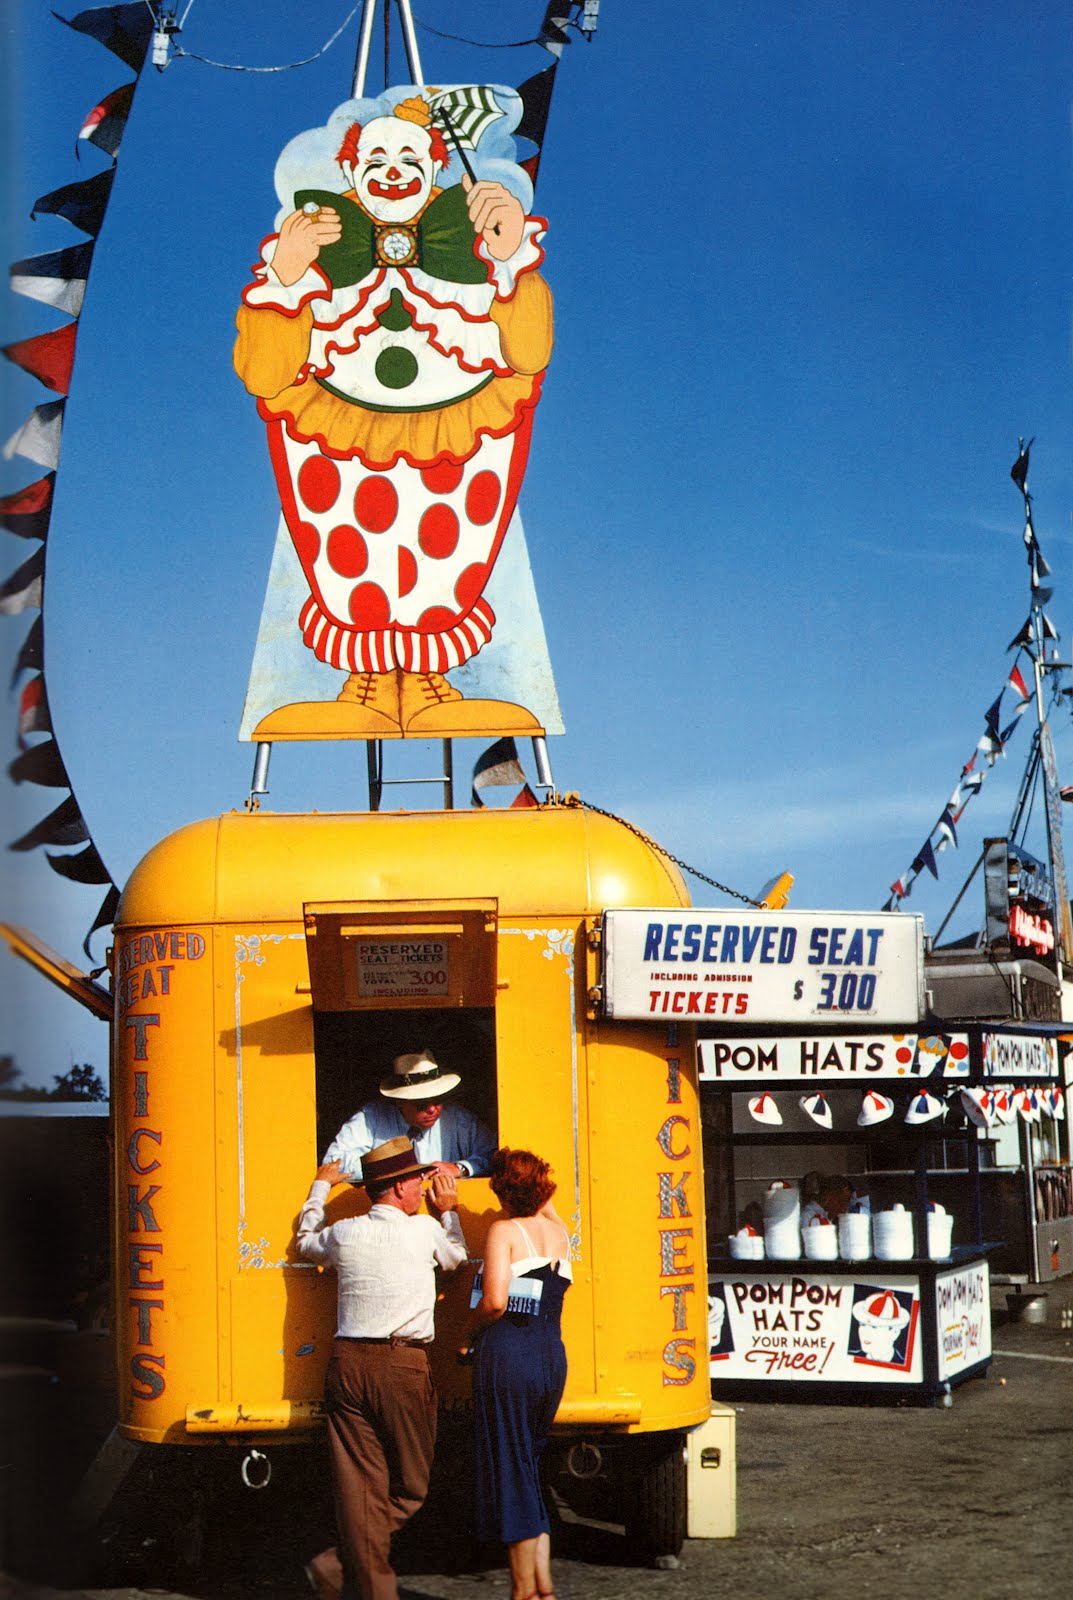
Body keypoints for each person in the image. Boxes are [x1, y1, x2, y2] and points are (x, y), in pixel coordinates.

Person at [234, 91, 553, 736]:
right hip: (338, 425)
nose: (392, 168)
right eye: (374, 156)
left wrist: (511, 256)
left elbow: (530, 351)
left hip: (459, 423)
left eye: (408, 154)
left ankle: (433, 682)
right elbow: (263, 371)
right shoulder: (315, 254)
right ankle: (367, 683)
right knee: (353, 543)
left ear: (437, 169)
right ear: (349, 176)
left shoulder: (481, 251)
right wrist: (291, 274)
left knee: (446, 544)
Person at [297, 1136, 468, 1600]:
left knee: (359, 1486)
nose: (424, 1186)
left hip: (347, 1362)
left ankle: (342, 1573)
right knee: (411, 1488)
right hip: (402, 1365)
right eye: (418, 1179)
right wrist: (449, 1210)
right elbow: (456, 1258)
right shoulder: (425, 1230)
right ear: (396, 1188)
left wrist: (319, 1188)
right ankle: (336, 1565)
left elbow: (305, 1241)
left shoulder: (346, 1232)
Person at [457, 1148, 572, 1600]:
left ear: (502, 1190)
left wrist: (465, 1337)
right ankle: (543, 1587)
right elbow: (548, 1203)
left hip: (508, 1353)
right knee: (528, 1466)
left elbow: (495, 1302)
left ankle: (522, 1591)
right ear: (541, 1189)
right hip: (549, 1355)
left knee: (510, 1468)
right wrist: (538, 1185)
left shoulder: (504, 1230)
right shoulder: (559, 1232)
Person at [323, 1048, 496, 1179]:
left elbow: (493, 1154)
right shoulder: (371, 1118)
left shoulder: (457, 1118)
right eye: (422, 1104)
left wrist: (460, 1168)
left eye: (438, 1100)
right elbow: (332, 1163)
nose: (432, 1109)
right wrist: (394, 1168)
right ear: (400, 1101)